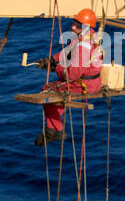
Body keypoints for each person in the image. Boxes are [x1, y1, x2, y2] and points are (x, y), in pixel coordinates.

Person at [34, 8, 104, 146]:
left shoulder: (83, 46)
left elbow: (72, 75)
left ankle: (55, 130)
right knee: (55, 90)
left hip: (83, 85)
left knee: (47, 90)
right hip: (92, 81)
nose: (72, 27)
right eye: (74, 23)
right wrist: (52, 60)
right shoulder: (88, 36)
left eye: (77, 26)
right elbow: (67, 52)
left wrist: (57, 68)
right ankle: (54, 128)